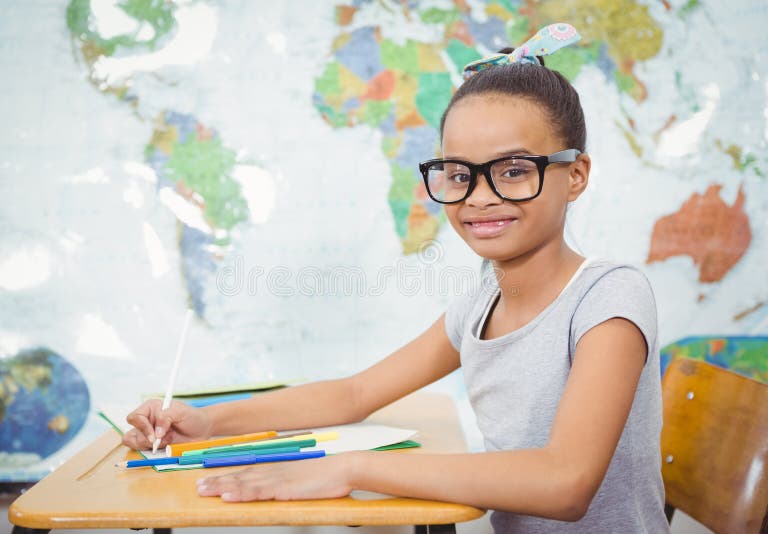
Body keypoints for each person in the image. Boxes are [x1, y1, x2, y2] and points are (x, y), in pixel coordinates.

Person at [123, 23, 669, 533]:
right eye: (458, 174)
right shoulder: (483, 303)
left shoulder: (608, 297)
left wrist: (353, 469)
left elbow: (564, 482)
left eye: (513, 170)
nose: (480, 196)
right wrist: (207, 422)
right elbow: (355, 394)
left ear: (575, 175)